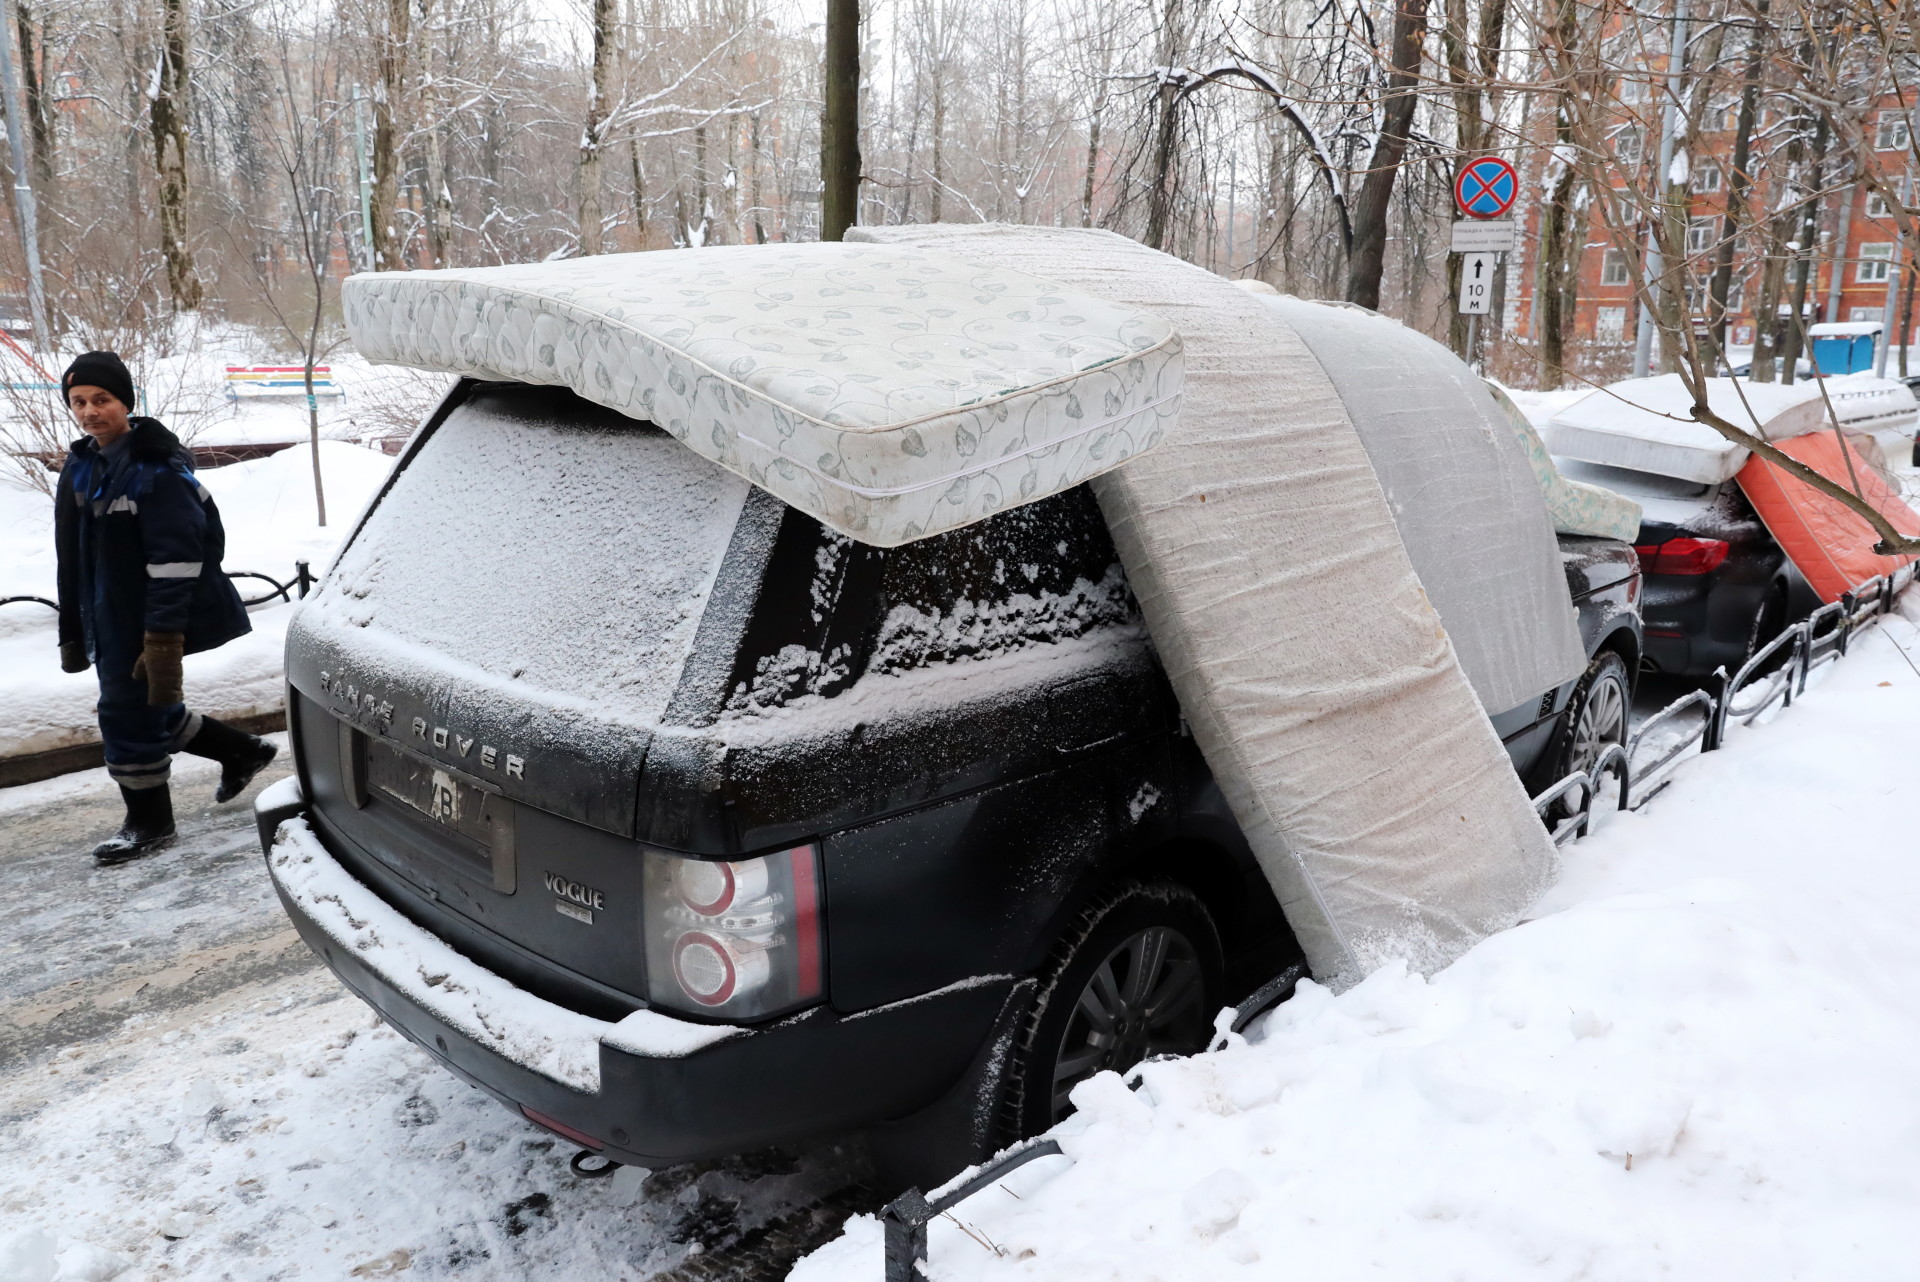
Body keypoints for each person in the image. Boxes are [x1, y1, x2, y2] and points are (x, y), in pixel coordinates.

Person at [54, 351, 277, 865]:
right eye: (79, 401)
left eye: (102, 400)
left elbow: (178, 562)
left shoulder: (155, 472)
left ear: (125, 402)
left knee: (123, 713)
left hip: (144, 617)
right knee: (149, 707)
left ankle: (149, 824)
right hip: (104, 613)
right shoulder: (83, 465)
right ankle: (242, 751)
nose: (90, 411)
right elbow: (73, 553)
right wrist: (74, 624)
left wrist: (161, 641)